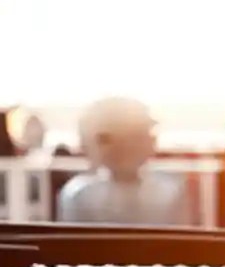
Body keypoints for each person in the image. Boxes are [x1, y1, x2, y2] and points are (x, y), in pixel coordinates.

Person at [57, 96, 194, 227]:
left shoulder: (170, 193)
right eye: (107, 140)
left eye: (135, 137)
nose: (123, 147)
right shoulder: (79, 195)